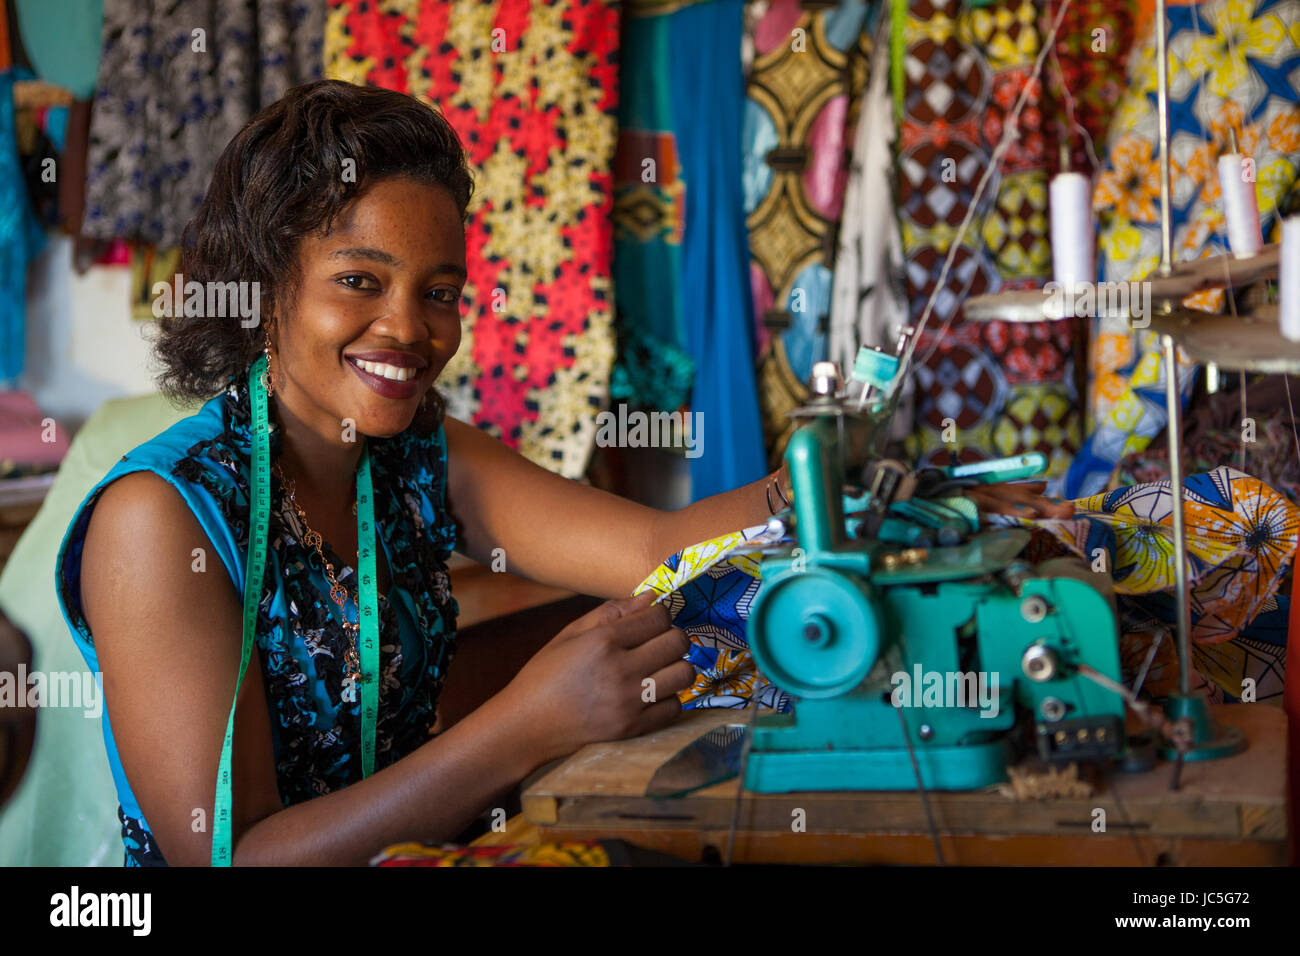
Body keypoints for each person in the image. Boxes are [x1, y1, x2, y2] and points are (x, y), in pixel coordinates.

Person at [56, 79, 1069, 867]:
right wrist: (525, 724)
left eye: (440, 291)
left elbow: (651, 552)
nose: (410, 328)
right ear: (265, 285)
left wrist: (840, 481)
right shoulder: (163, 516)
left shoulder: (415, 459)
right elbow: (226, 857)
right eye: (359, 281)